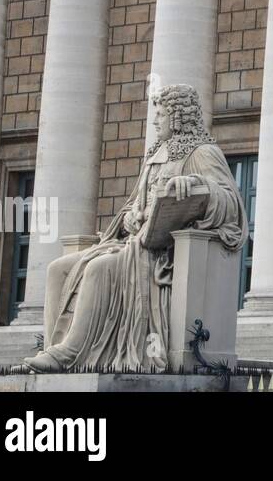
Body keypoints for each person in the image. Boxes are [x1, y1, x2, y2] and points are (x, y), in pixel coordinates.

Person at [17, 85, 245, 373]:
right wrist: (131, 217)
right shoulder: (155, 154)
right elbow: (133, 204)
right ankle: (52, 348)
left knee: (99, 268)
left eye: (161, 115)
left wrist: (200, 186)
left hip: (163, 255)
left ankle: (69, 353)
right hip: (133, 242)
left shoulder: (203, 153)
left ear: (176, 116)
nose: (155, 121)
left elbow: (231, 204)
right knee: (57, 269)